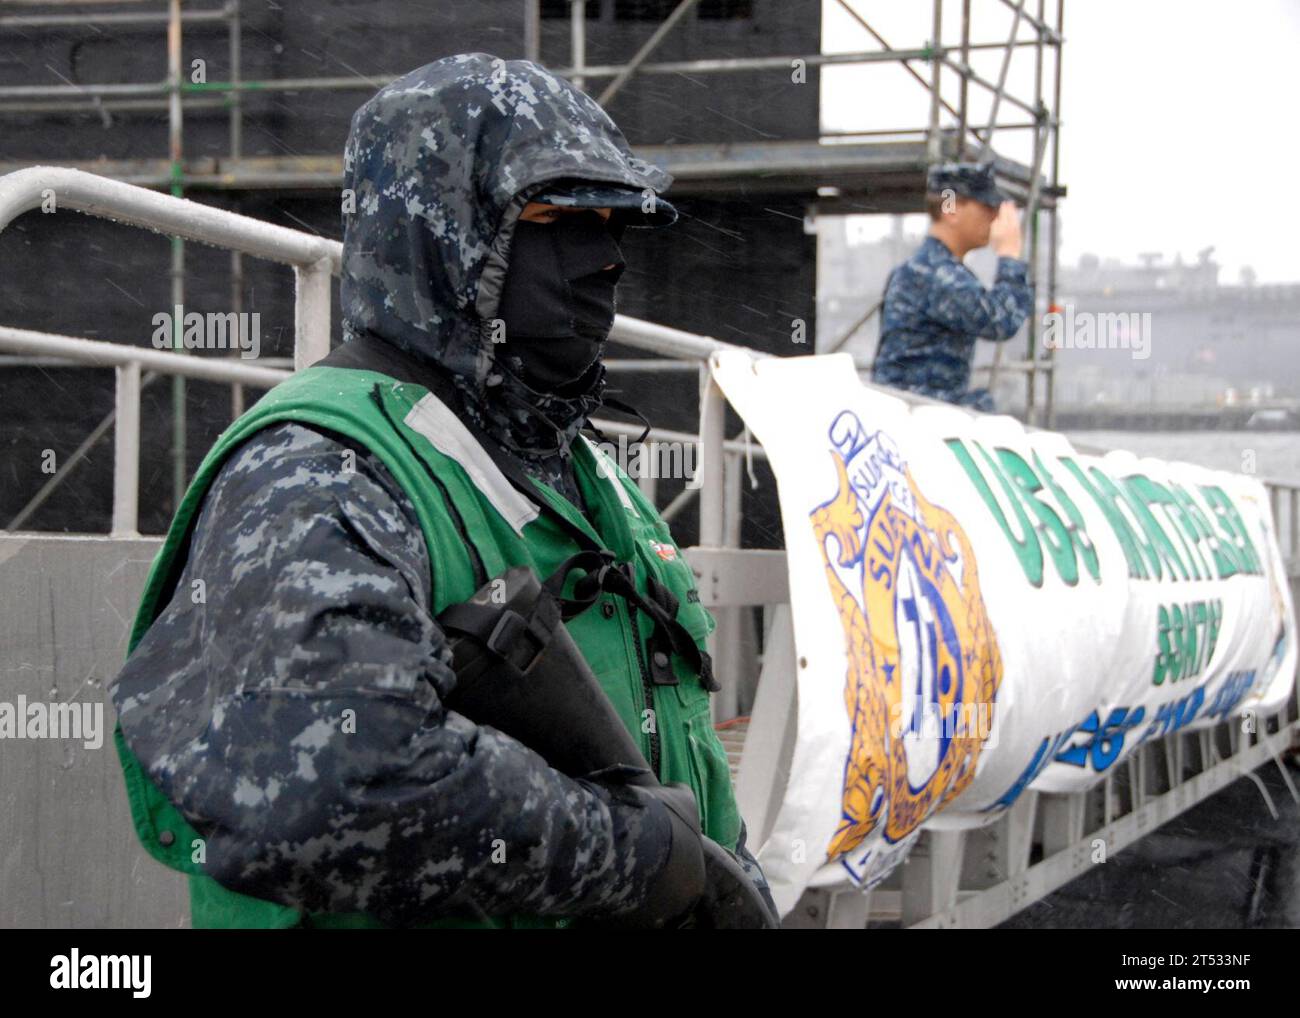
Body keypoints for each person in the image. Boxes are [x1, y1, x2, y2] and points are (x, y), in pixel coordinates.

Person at [109, 52, 775, 929]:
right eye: (555, 218)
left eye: (614, 220)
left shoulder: (593, 477)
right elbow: (332, 783)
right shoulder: (316, 467)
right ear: (445, 236)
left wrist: (736, 880)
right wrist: (646, 862)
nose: (605, 260)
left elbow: (681, 740)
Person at [871, 161, 1034, 412]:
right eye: (987, 207)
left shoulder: (933, 269)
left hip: (916, 415)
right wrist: (1009, 255)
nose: (994, 218)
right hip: (914, 422)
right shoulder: (932, 274)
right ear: (951, 209)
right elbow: (1000, 320)